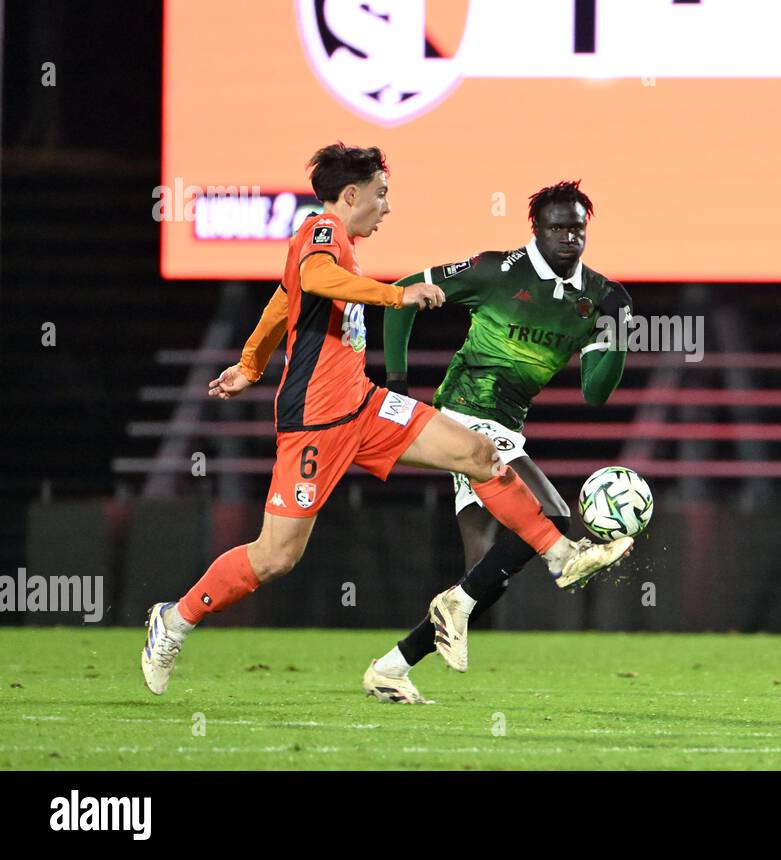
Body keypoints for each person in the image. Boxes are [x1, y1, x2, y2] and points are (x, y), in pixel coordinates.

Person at [142, 147, 620, 697]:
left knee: (479, 454)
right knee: (276, 557)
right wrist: (398, 295)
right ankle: (174, 621)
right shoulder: (323, 232)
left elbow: (284, 298)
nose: (386, 208)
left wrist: (250, 364)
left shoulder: (338, 245)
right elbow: (315, 277)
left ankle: (563, 556)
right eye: (381, 195)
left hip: (364, 405)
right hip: (317, 421)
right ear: (352, 196)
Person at [362, 180, 634, 703]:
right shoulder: (495, 271)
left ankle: (391, 667)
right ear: (535, 228)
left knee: (488, 575)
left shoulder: (602, 297)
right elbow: (400, 296)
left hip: (508, 426)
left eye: (578, 227)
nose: (569, 236)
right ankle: (563, 557)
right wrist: (398, 386)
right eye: (558, 226)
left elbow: (595, 394)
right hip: (464, 416)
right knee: (550, 515)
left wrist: (618, 338)